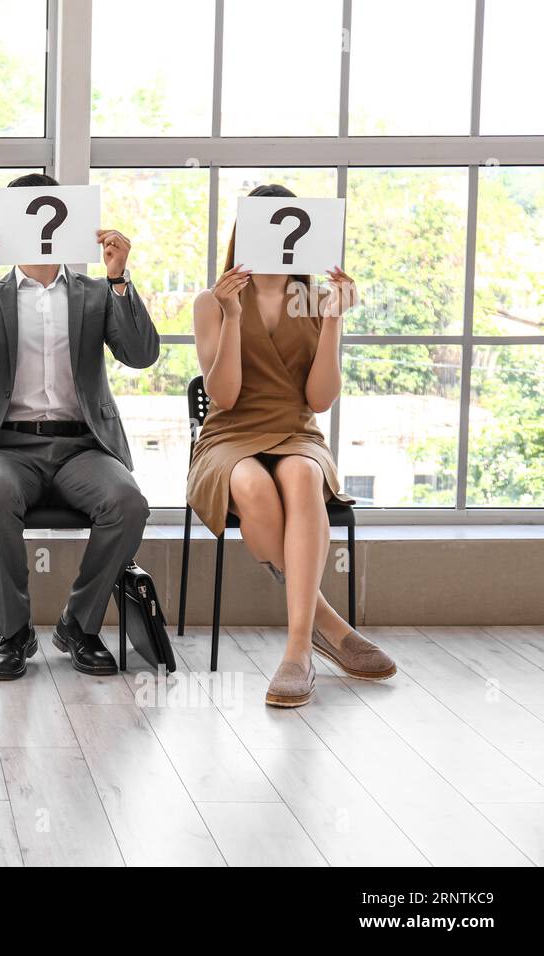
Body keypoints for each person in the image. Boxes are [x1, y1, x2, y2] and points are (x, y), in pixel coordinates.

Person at [0, 173, 158, 681]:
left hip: (83, 446)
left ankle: (79, 624)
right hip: (7, 446)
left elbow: (142, 355)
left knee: (128, 504)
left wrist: (120, 277)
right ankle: (13, 632)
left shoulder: (96, 293)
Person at [188, 184, 396, 708]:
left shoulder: (316, 299)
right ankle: (326, 624)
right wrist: (234, 316)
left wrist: (333, 322)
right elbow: (225, 396)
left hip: (296, 428)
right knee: (254, 486)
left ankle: (297, 650)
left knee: (302, 476)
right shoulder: (212, 303)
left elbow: (320, 401)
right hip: (229, 434)